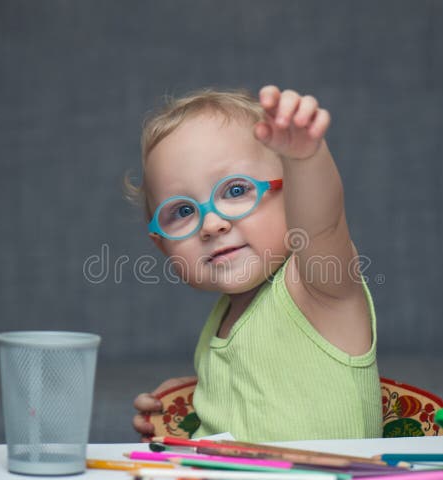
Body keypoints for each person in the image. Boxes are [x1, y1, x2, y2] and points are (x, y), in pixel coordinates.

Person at [127, 85, 381, 442]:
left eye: (234, 190)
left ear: (292, 195)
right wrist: (190, 401)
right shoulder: (222, 319)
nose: (212, 224)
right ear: (162, 245)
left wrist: (305, 160)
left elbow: (322, 223)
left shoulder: (315, 287)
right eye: (183, 211)